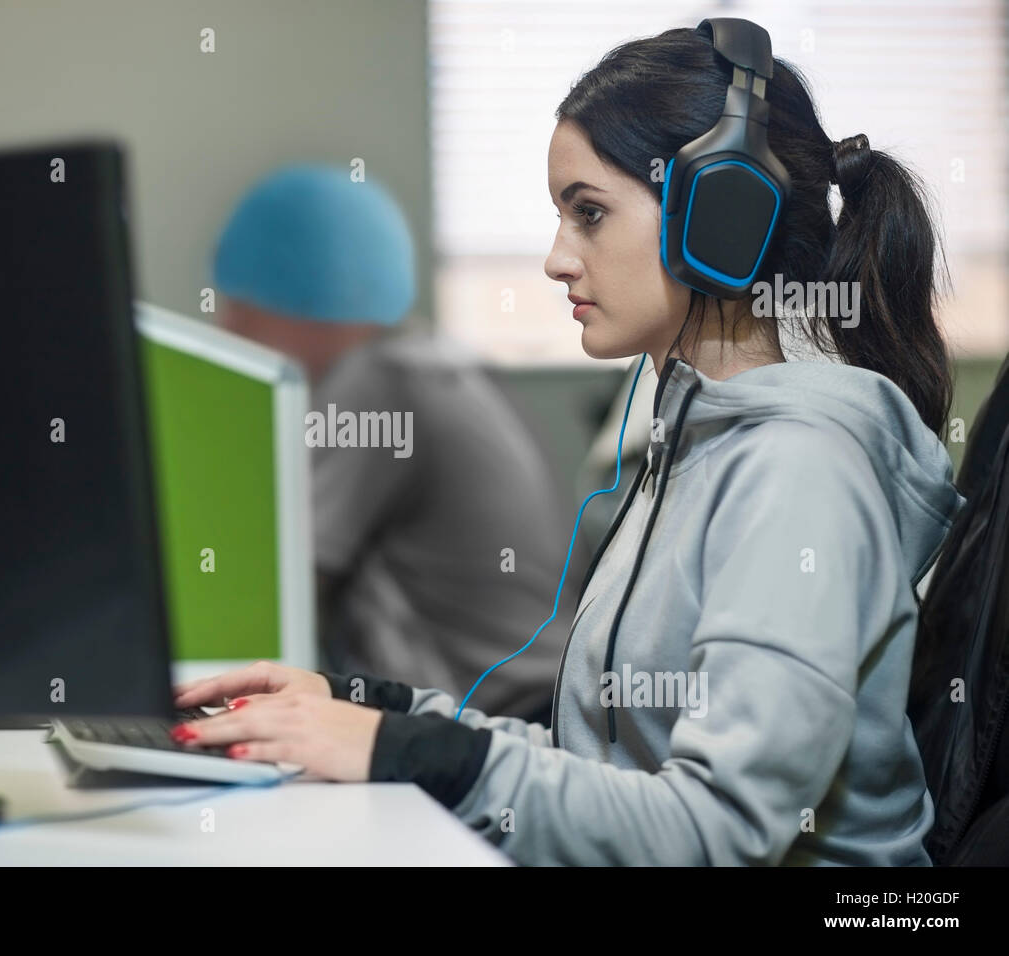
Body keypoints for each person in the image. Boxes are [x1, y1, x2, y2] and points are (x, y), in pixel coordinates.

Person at [170, 23, 966, 866]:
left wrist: (390, 752)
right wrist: (361, 709)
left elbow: (718, 831)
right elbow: (609, 774)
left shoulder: (801, 467)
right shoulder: (692, 445)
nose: (557, 260)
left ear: (721, 216)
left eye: (589, 213)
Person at [211, 164, 584, 721]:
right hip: (548, 704)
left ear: (305, 303)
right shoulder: (440, 363)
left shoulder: (382, 381)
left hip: (493, 721)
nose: (229, 330)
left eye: (243, 309)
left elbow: (275, 592)